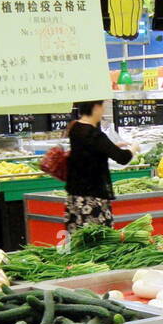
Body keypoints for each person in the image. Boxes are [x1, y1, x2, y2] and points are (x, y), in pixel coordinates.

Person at [63, 99, 132, 233]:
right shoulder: (94, 134)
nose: (103, 111)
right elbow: (123, 158)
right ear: (95, 107)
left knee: (78, 242)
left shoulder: (75, 128)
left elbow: (89, 151)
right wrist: (134, 148)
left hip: (74, 198)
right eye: (102, 107)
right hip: (93, 200)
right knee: (97, 243)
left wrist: (112, 147)